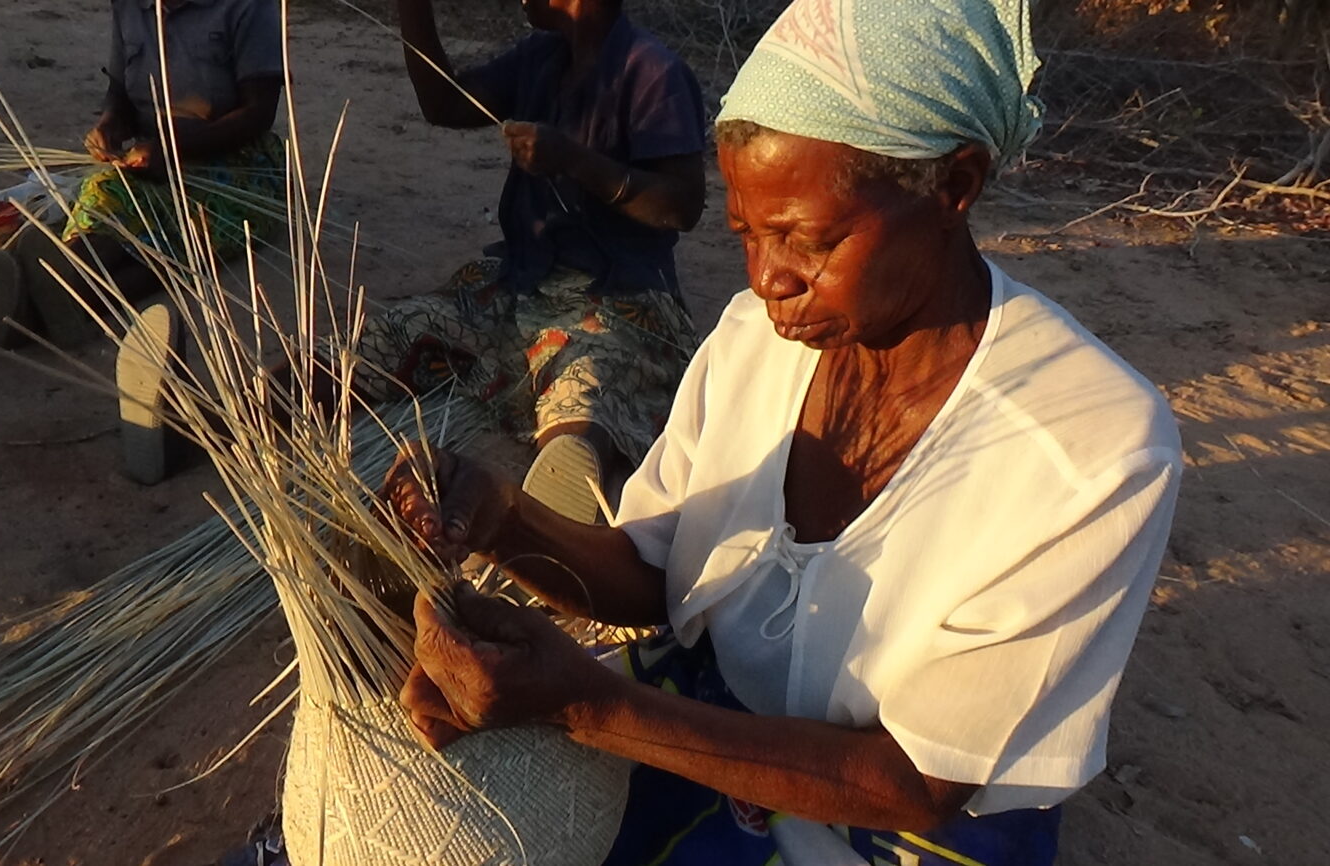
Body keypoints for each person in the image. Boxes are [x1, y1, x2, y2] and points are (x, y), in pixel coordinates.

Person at [382, 0, 1184, 863]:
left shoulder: (1094, 449)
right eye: (746, 234)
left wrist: (585, 706)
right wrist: (501, 517)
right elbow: (659, 575)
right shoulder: (751, 340)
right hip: (710, 716)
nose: (768, 281)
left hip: (901, 815)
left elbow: (918, 782)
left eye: (808, 239)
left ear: (956, 186)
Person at [351, 0, 708, 520]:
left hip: (621, 300)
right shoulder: (542, 57)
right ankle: (240, 412)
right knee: (396, 331)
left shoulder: (654, 73)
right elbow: (444, 105)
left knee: (587, 387)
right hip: (520, 284)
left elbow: (682, 205)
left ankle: (556, 504)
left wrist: (574, 160)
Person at [0, 0, 286, 350]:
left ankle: (50, 299)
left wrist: (174, 147)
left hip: (235, 164)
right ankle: (65, 291)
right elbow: (120, 91)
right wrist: (110, 123)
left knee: (181, 237)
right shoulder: (128, 5)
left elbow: (259, 113)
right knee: (109, 196)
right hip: (146, 158)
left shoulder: (248, 7)